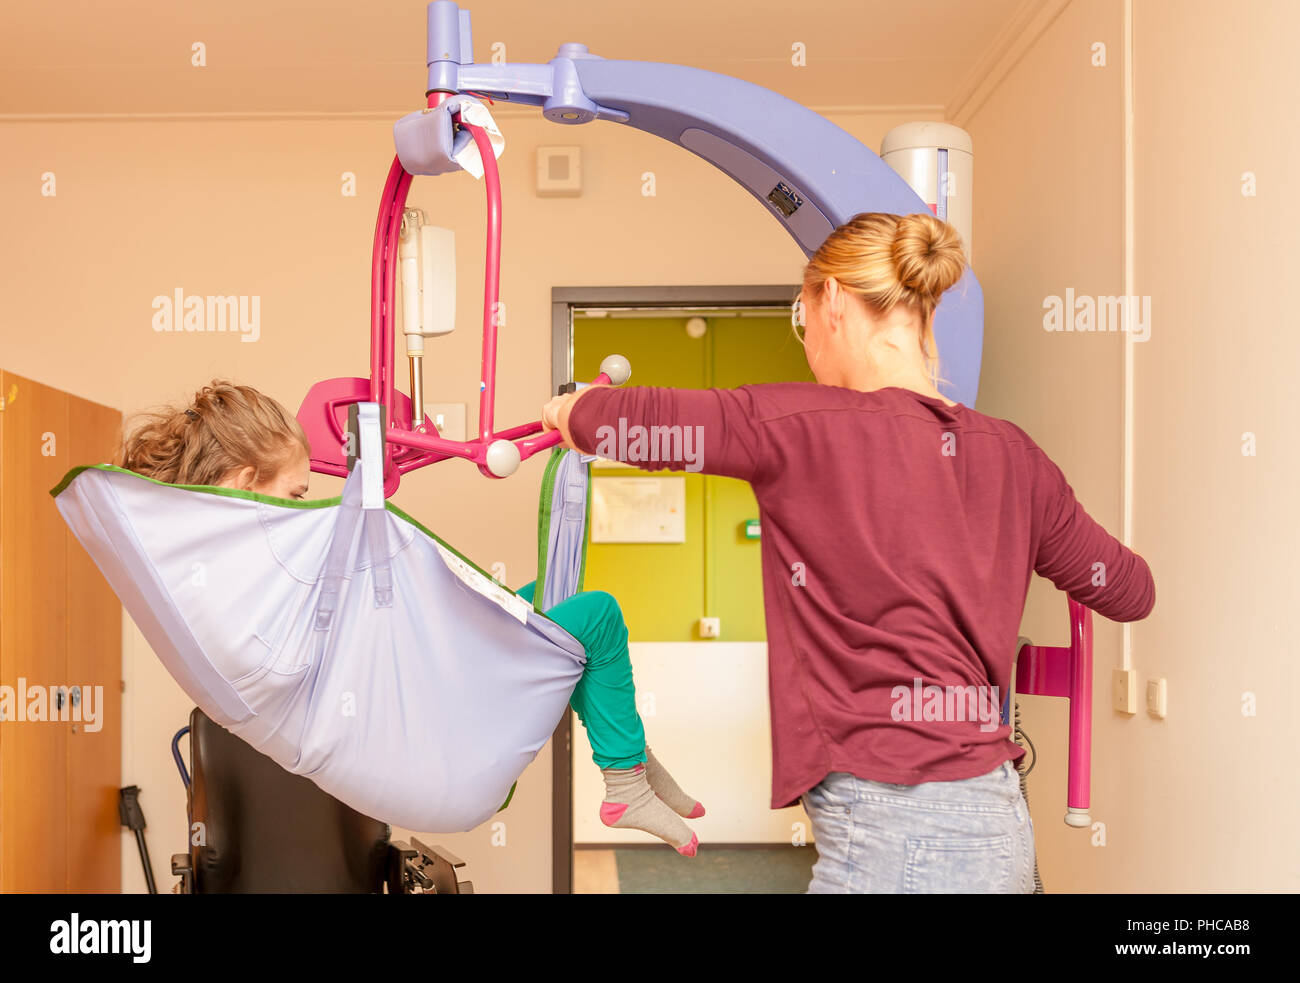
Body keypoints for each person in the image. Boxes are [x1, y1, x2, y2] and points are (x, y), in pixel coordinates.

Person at [540, 211, 1157, 893]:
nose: (807, 346)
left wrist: (572, 410)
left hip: (898, 834)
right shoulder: (1015, 455)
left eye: (801, 320)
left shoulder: (799, 425)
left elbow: (625, 423)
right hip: (1001, 825)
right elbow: (1130, 589)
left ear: (832, 300)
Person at [116, 380, 705, 856]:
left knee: (544, 609)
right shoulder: (253, 582)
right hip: (431, 727)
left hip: (418, 698)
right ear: (248, 483)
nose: (302, 509)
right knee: (596, 616)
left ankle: (629, 755)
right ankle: (626, 781)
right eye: (297, 496)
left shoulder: (217, 573)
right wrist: (361, 510)